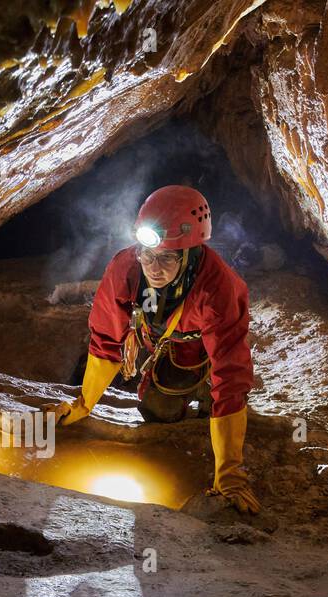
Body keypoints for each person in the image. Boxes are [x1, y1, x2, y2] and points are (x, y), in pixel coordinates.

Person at [46, 185, 261, 515]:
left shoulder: (218, 289)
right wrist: (84, 403)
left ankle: (209, 404)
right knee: (157, 410)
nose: (154, 267)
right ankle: (193, 399)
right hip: (164, 347)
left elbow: (230, 371)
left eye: (166, 258)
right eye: (147, 255)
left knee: (218, 398)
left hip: (201, 351)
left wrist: (230, 473)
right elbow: (106, 339)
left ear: (189, 255)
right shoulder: (125, 268)